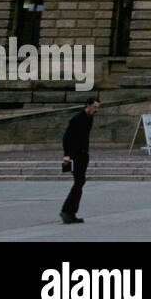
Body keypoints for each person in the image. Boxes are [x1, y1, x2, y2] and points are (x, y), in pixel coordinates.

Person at [61, 96, 100, 224]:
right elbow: (67, 137)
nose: (96, 110)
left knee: (80, 182)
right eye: (94, 107)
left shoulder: (90, 118)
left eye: (97, 107)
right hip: (74, 155)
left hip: (83, 154)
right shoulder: (77, 118)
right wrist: (67, 154)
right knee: (79, 181)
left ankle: (71, 212)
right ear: (87, 105)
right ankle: (67, 211)